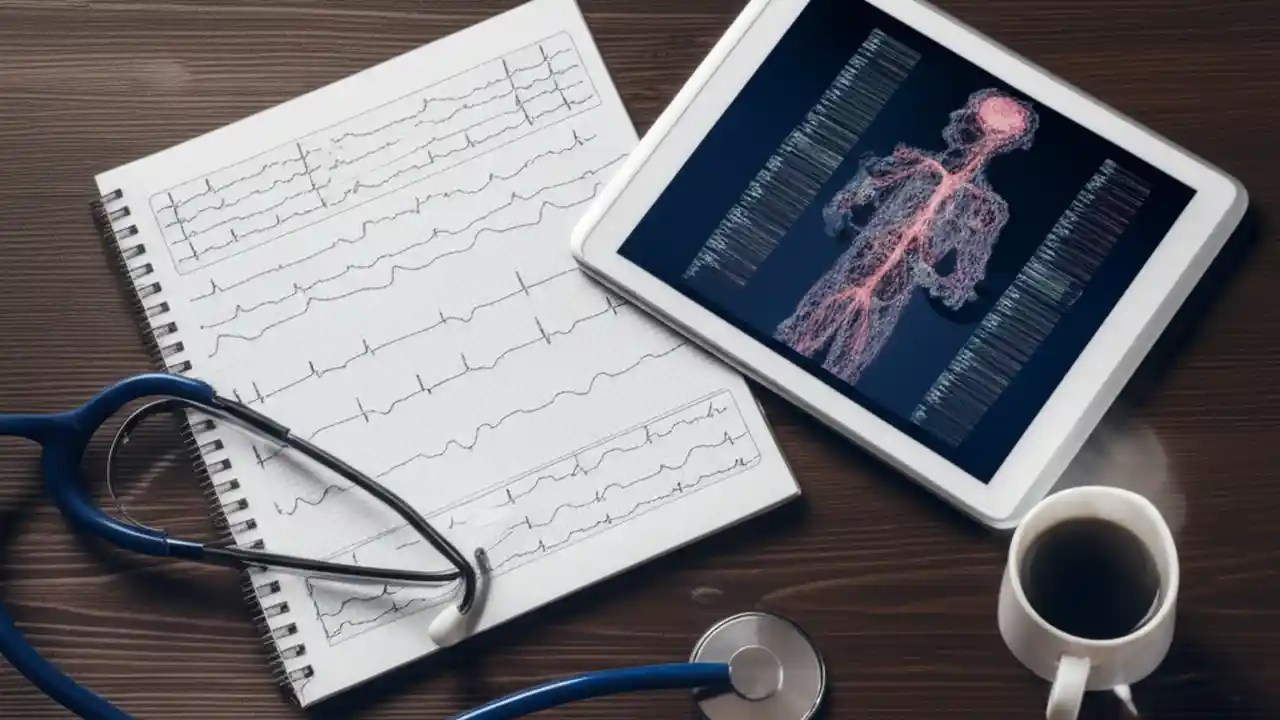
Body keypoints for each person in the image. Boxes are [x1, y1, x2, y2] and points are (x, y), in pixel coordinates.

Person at [775, 88, 1039, 386]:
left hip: (889, 293)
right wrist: (847, 208)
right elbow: (846, 200)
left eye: (968, 120)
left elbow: (961, 285)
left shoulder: (984, 207)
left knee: (839, 369)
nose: (956, 120)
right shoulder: (916, 163)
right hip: (854, 269)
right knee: (795, 338)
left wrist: (928, 276)